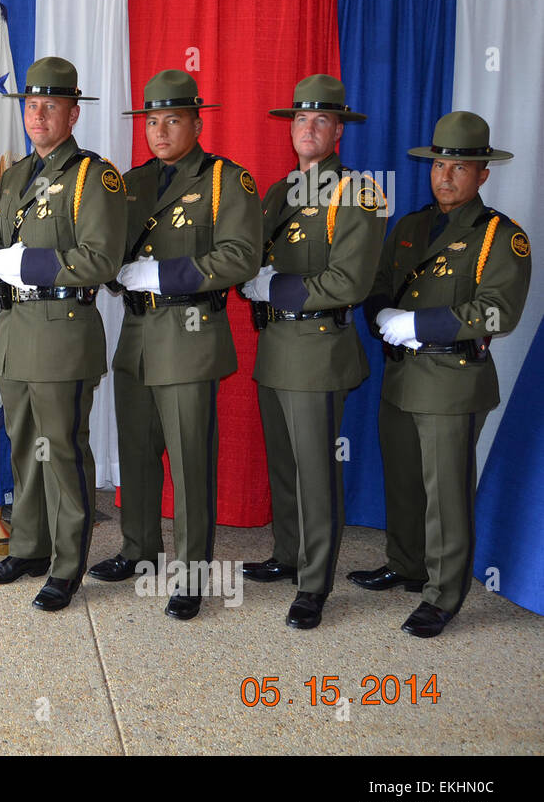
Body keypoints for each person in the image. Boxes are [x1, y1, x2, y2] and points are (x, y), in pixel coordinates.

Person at [88, 69, 260, 621]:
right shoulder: (132, 182)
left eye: (172, 121)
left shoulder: (226, 181)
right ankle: (139, 549)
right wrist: (115, 272)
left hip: (188, 336)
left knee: (189, 461)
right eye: (152, 122)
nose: (159, 132)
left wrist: (162, 275)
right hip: (137, 335)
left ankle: (191, 573)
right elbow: (109, 252)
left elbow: (241, 257)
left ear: (196, 123)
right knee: (137, 453)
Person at [352, 111, 530, 638]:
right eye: (438, 165)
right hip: (402, 377)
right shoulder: (410, 226)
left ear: (482, 174)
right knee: (404, 480)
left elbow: (499, 312)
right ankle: (406, 564)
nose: (445, 176)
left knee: (447, 495)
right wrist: (383, 315)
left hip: (453, 381)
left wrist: (419, 324)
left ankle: (444, 595)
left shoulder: (500, 236)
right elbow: (378, 282)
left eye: (459, 167)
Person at [0, 56, 126, 612]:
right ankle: (30, 548)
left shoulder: (94, 177)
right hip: (16, 331)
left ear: (73, 113)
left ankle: (67, 567)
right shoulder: (16, 175)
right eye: (31, 106)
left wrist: (27, 264)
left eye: (50, 106)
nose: (37, 116)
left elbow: (102, 259)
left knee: (62, 453)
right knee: (25, 448)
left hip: (63, 334)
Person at [238, 75, 386, 629]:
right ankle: (288, 553)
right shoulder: (280, 193)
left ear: (339, 131)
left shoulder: (360, 194)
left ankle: (315, 583)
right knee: (284, 462)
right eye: (301, 118)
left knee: (316, 472)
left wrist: (272, 286)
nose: (308, 128)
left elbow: (350, 282)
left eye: (322, 119)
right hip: (276, 346)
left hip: (319, 349)